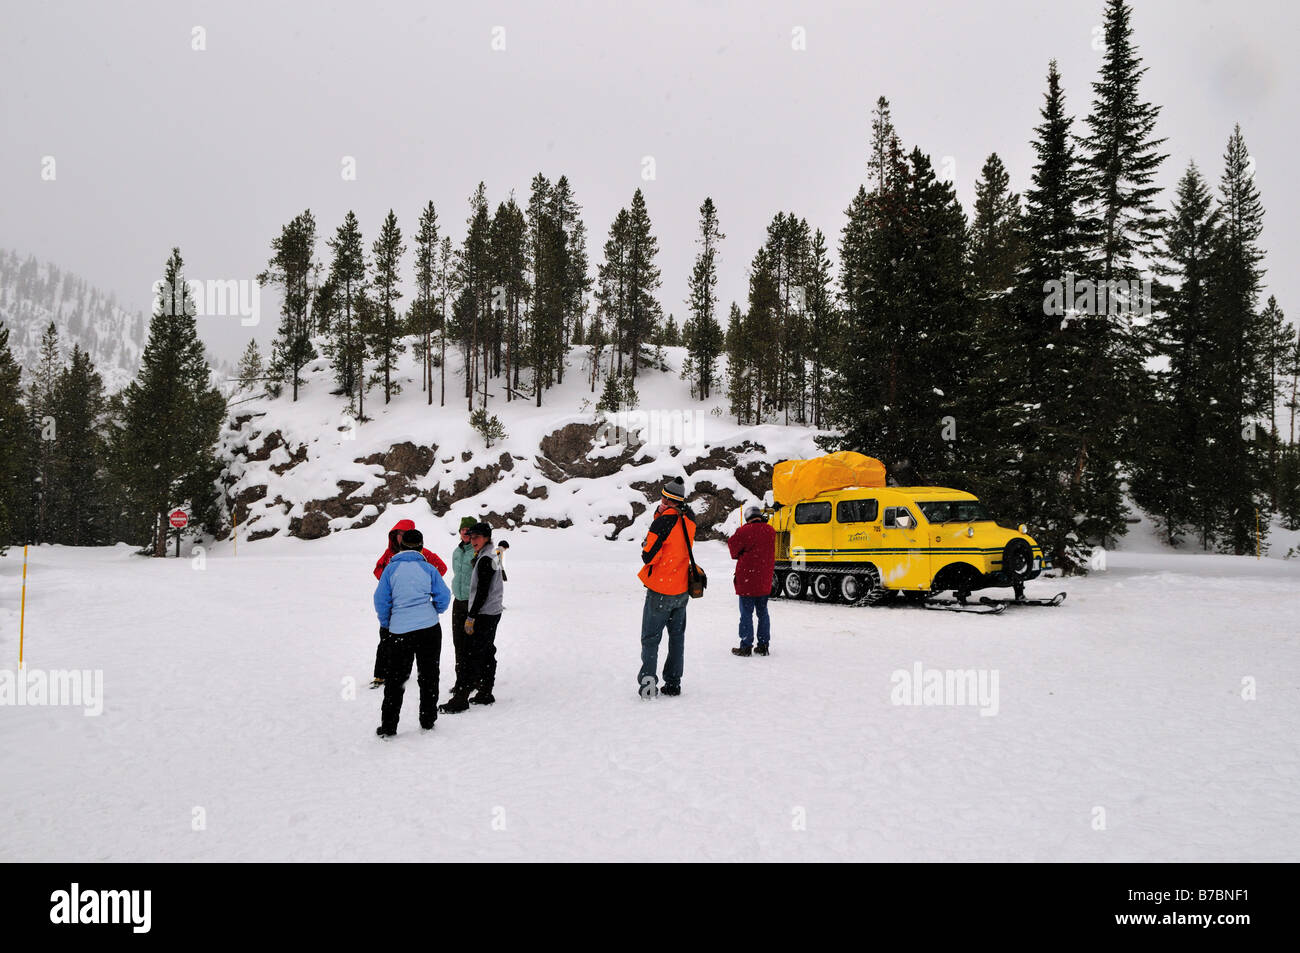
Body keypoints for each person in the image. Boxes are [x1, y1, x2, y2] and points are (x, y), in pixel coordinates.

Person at [372, 528, 452, 737]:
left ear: (401, 545)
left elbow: (381, 601)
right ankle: (427, 720)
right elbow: (444, 596)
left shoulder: (390, 570)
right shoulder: (428, 568)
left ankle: (389, 726)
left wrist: (388, 622)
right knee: (429, 676)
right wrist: (434, 611)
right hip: (429, 629)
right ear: (421, 545)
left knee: (395, 680)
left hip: (400, 631)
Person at [369, 519, 447, 689]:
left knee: (419, 663)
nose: (400, 537)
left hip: (411, 616)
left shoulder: (423, 554)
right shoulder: (389, 553)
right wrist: (390, 581)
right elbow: (377, 569)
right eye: (398, 533)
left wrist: (426, 583)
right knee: (384, 640)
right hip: (394, 608)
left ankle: (397, 679)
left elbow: (441, 568)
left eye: (404, 534)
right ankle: (380, 674)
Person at [636, 477, 696, 698]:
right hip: (681, 590)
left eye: (662, 498)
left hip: (661, 590)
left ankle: (649, 687)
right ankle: (673, 684)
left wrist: (649, 538)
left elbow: (648, 556)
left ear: (667, 500)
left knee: (651, 640)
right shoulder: (690, 520)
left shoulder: (662, 522)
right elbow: (676, 543)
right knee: (676, 638)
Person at [439, 522, 505, 714]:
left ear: (486, 538)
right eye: (472, 537)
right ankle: (485, 691)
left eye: (477, 537)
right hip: (492, 611)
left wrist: (471, 616)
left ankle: (460, 698)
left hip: (485, 613)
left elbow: (482, 591)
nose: (473, 540)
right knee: (485, 651)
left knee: (470, 655)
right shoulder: (490, 554)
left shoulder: (486, 559)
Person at [728, 503, 776, 656]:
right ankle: (763, 645)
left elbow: (733, 551)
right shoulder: (770, 531)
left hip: (747, 580)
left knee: (746, 613)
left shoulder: (744, 531)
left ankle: (746, 646)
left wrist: (739, 534)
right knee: (763, 613)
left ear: (748, 518)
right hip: (764, 580)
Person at [445, 516, 477, 701]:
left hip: (473, 603)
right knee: (459, 642)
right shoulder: (457, 552)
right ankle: (461, 680)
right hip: (459, 601)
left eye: (468, 529)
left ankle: (474, 679)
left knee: (472, 642)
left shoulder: (478, 551)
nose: (465, 532)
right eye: (462, 529)